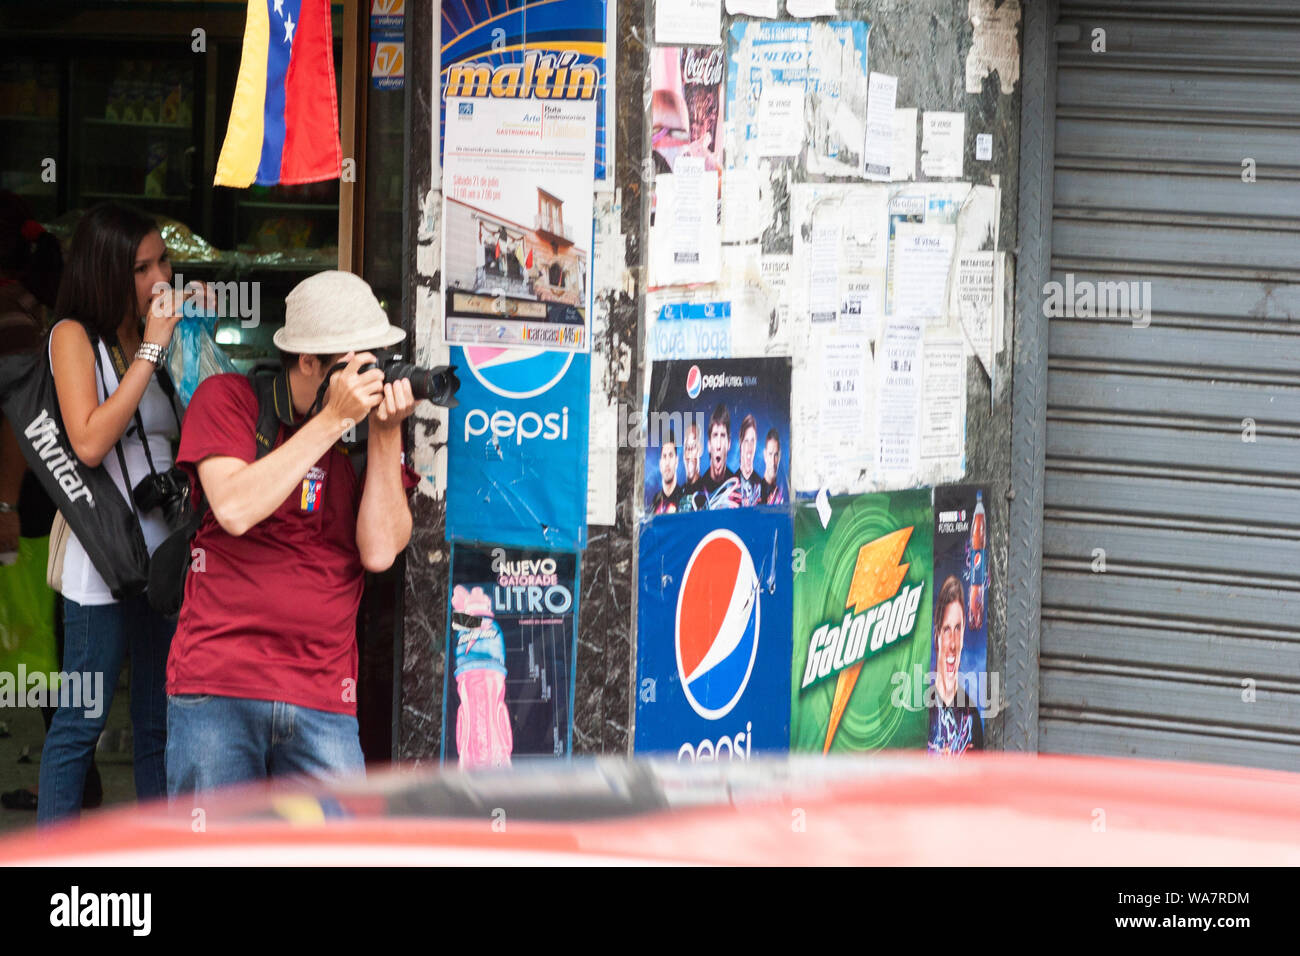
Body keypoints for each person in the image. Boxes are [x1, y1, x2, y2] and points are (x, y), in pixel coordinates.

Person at [165, 270, 416, 797]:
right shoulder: (228, 399)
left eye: (378, 361)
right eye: (358, 364)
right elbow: (232, 508)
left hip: (323, 693)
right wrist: (327, 422)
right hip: (220, 685)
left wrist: (386, 433)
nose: (372, 377)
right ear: (308, 362)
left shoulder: (368, 434)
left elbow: (378, 551)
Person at [38, 203, 189, 825]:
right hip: (100, 558)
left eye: (164, 260)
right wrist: (152, 352)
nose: (160, 277)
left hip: (162, 559)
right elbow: (92, 441)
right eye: (141, 266)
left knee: (158, 725)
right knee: (83, 722)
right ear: (106, 273)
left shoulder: (156, 334)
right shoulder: (75, 336)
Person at [928, 575, 984, 755]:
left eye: (958, 629)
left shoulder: (971, 716)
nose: (952, 644)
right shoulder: (921, 712)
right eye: (946, 630)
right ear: (937, 636)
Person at [699, 402, 737, 507]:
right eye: (715, 435)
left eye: (723, 436)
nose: (719, 445)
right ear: (709, 445)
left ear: (729, 444)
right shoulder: (699, 489)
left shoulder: (737, 487)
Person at [735, 414, 763, 507]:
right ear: (740, 443)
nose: (749, 447)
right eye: (746, 441)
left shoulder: (761, 484)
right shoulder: (731, 483)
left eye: (752, 441)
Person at [650, 429, 681, 515]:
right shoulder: (655, 502)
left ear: (676, 461)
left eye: (671, 456)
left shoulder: (683, 499)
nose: (667, 462)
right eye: (664, 456)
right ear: (660, 464)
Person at [761, 428, 785, 505]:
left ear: (780, 456)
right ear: (765, 455)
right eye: (770, 454)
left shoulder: (780, 492)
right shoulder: (757, 492)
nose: (773, 461)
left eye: (776, 455)